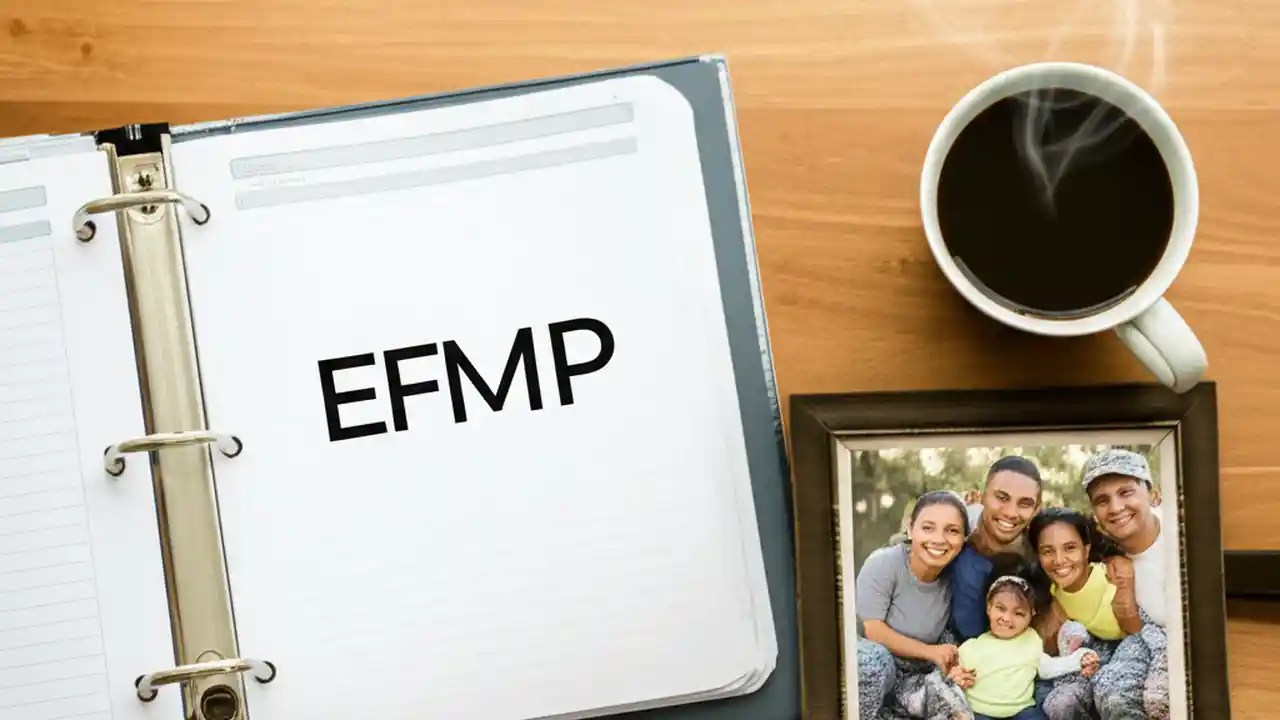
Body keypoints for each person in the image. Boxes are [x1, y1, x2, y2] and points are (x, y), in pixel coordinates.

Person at [855, 490, 973, 720]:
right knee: (876, 661)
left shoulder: (956, 576)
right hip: (872, 668)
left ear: (964, 538)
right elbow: (872, 630)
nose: (939, 539)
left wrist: (953, 667)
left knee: (956, 709)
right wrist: (931, 652)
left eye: (952, 531)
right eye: (928, 528)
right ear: (910, 528)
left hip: (914, 677)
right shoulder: (885, 563)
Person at [1081, 449, 1171, 720]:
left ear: (1153, 494)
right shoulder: (1102, 562)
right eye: (1102, 500)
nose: (1116, 508)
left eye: (1126, 492)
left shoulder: (1187, 531)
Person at [948, 571, 1100, 720]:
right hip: (979, 710)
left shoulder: (1031, 640)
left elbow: (1046, 668)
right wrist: (956, 677)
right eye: (1000, 608)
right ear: (989, 608)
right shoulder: (971, 647)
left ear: (1031, 615)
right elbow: (951, 677)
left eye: (1018, 613)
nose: (1007, 618)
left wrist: (1078, 659)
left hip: (1021, 710)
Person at [1027, 507, 1133, 719]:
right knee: (1055, 702)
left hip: (1134, 650)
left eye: (1069, 548)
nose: (1059, 560)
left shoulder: (1113, 574)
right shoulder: (1054, 593)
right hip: (1096, 656)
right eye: (1048, 551)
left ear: (1086, 550)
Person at [949, 457, 1043, 645]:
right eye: (1002, 498)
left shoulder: (1042, 551)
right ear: (983, 496)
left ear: (1035, 510)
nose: (1010, 512)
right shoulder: (954, 533)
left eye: (1024, 503)